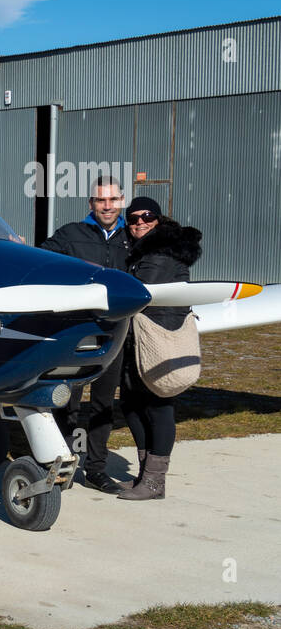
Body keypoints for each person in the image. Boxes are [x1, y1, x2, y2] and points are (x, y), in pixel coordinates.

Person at [39, 174, 131, 492]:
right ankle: (59, 466)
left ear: (121, 201)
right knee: (68, 403)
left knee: (104, 404)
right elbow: (42, 260)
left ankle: (96, 470)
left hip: (116, 335)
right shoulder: (70, 234)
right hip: (78, 335)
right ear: (91, 203)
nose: (107, 206)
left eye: (113, 199)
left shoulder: (132, 239)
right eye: (101, 200)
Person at [117, 197, 202, 501]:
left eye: (147, 216)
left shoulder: (161, 252)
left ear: (158, 219)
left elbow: (138, 291)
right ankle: (145, 475)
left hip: (159, 338)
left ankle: (155, 482)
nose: (140, 222)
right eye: (133, 218)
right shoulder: (143, 250)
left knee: (159, 406)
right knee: (130, 404)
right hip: (138, 337)